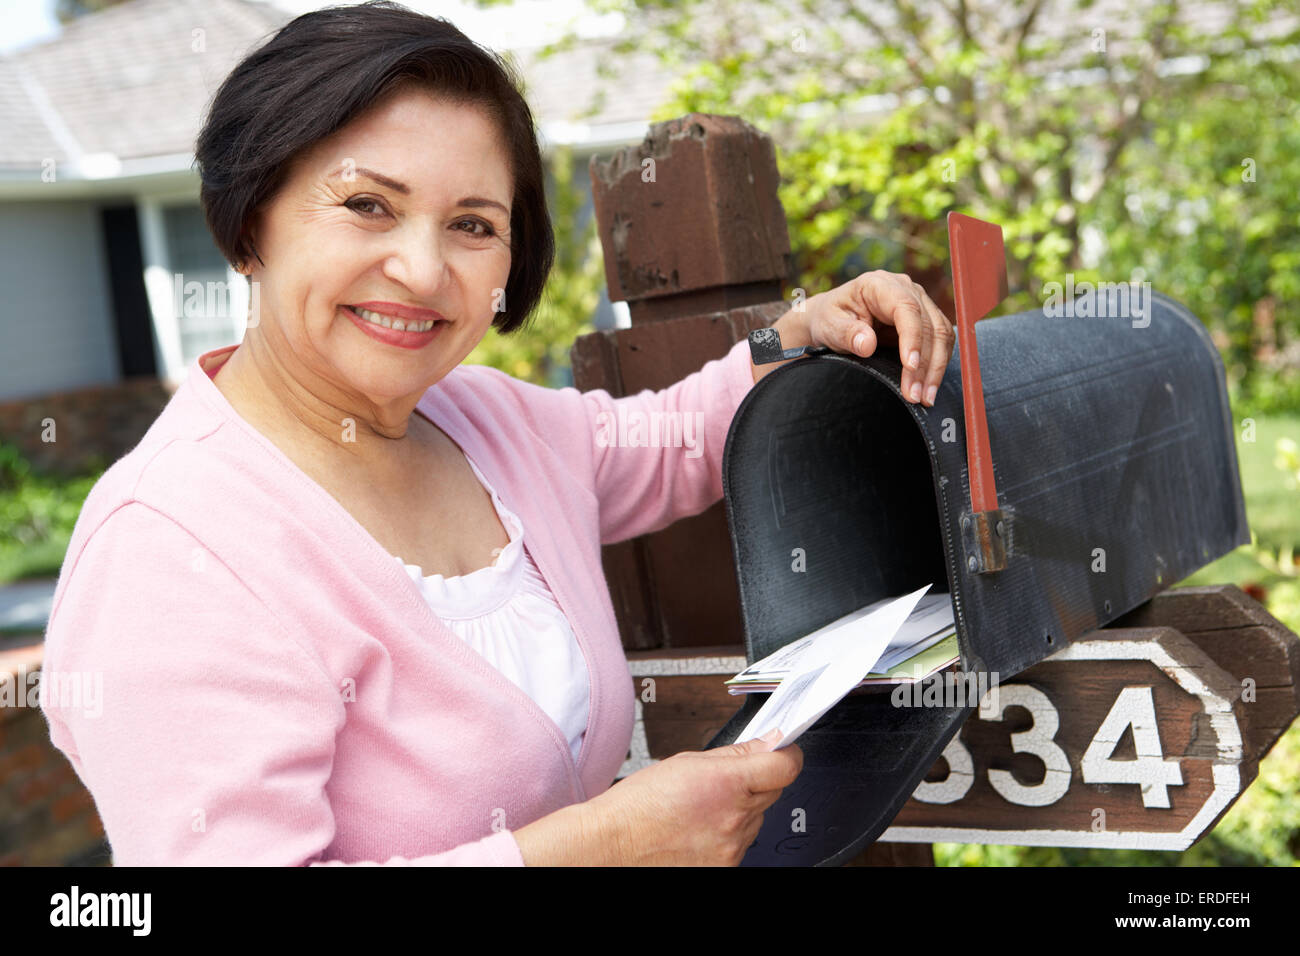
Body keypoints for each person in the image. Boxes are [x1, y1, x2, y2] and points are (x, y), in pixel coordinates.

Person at [39, 1, 954, 866]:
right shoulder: (169, 551)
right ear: (251, 222)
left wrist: (800, 333)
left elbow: (674, 439)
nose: (422, 268)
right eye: (367, 206)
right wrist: (603, 848)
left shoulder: (487, 419)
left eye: (473, 225)